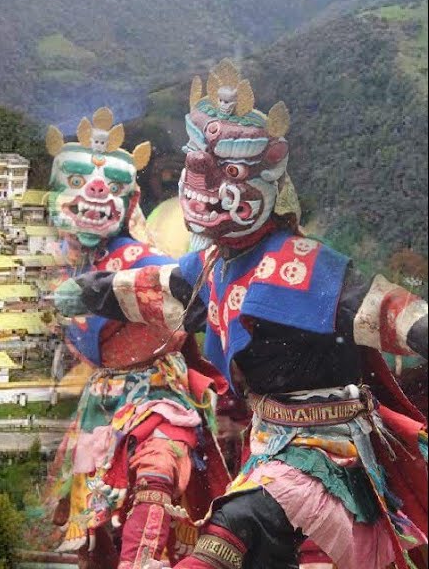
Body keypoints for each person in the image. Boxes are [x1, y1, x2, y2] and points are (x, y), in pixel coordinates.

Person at [57, 60, 428, 569]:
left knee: (233, 530)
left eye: (228, 172)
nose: (205, 183)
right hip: (268, 444)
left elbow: (387, 312)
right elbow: (154, 290)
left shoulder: (309, 267)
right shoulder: (212, 265)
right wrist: (90, 292)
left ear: (269, 184)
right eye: (196, 164)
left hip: (327, 450)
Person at [44, 108, 229, 568]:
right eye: (75, 185)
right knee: (94, 524)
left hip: (157, 389)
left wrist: (103, 295)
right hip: (102, 397)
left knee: (156, 476)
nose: (93, 195)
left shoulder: (138, 256)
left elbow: (185, 299)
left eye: (108, 190)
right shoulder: (66, 264)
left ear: (129, 202)